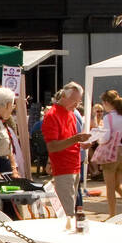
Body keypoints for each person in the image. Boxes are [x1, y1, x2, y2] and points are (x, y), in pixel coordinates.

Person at [42, 82, 90, 214]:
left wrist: (80, 144)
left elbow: (68, 140)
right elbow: (52, 146)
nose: (76, 105)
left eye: (78, 102)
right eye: (74, 101)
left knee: (71, 209)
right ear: (63, 96)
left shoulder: (71, 114)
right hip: (63, 168)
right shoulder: (52, 115)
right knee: (67, 212)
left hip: (74, 166)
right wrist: (76, 139)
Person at [93, 90, 122, 217]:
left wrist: (98, 138)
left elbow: (105, 138)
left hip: (111, 153)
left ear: (106, 103)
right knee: (118, 185)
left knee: (110, 187)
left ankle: (112, 214)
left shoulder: (108, 117)